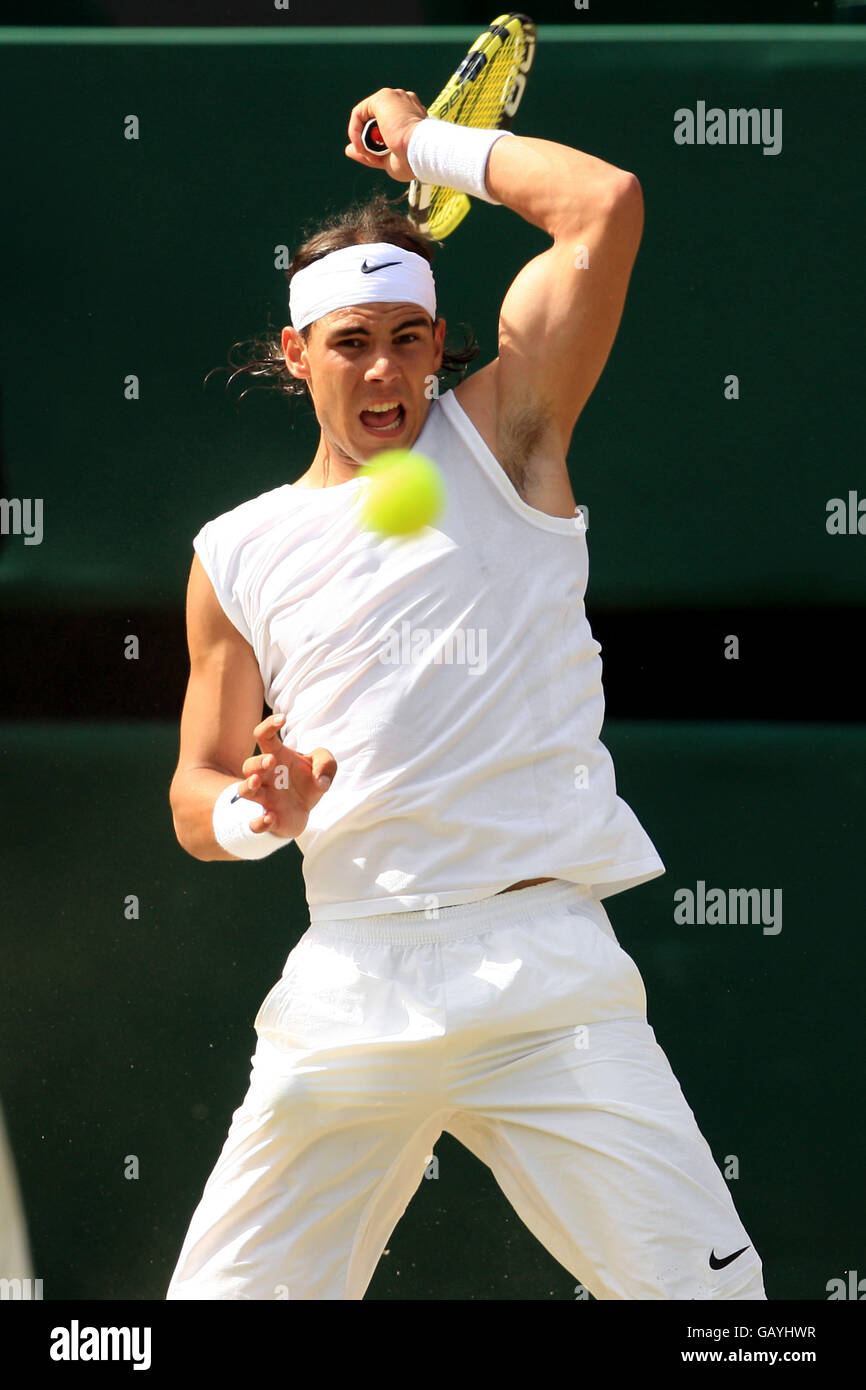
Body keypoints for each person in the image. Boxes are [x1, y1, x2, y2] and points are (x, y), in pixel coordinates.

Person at [166, 89, 766, 1300]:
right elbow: (194, 792)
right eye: (349, 341)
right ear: (295, 355)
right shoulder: (233, 552)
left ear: (441, 348)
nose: (382, 368)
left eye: (407, 336)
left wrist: (424, 146)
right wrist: (257, 811)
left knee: (719, 1321)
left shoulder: (508, 435)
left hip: (544, 983)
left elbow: (601, 205)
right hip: (349, 987)